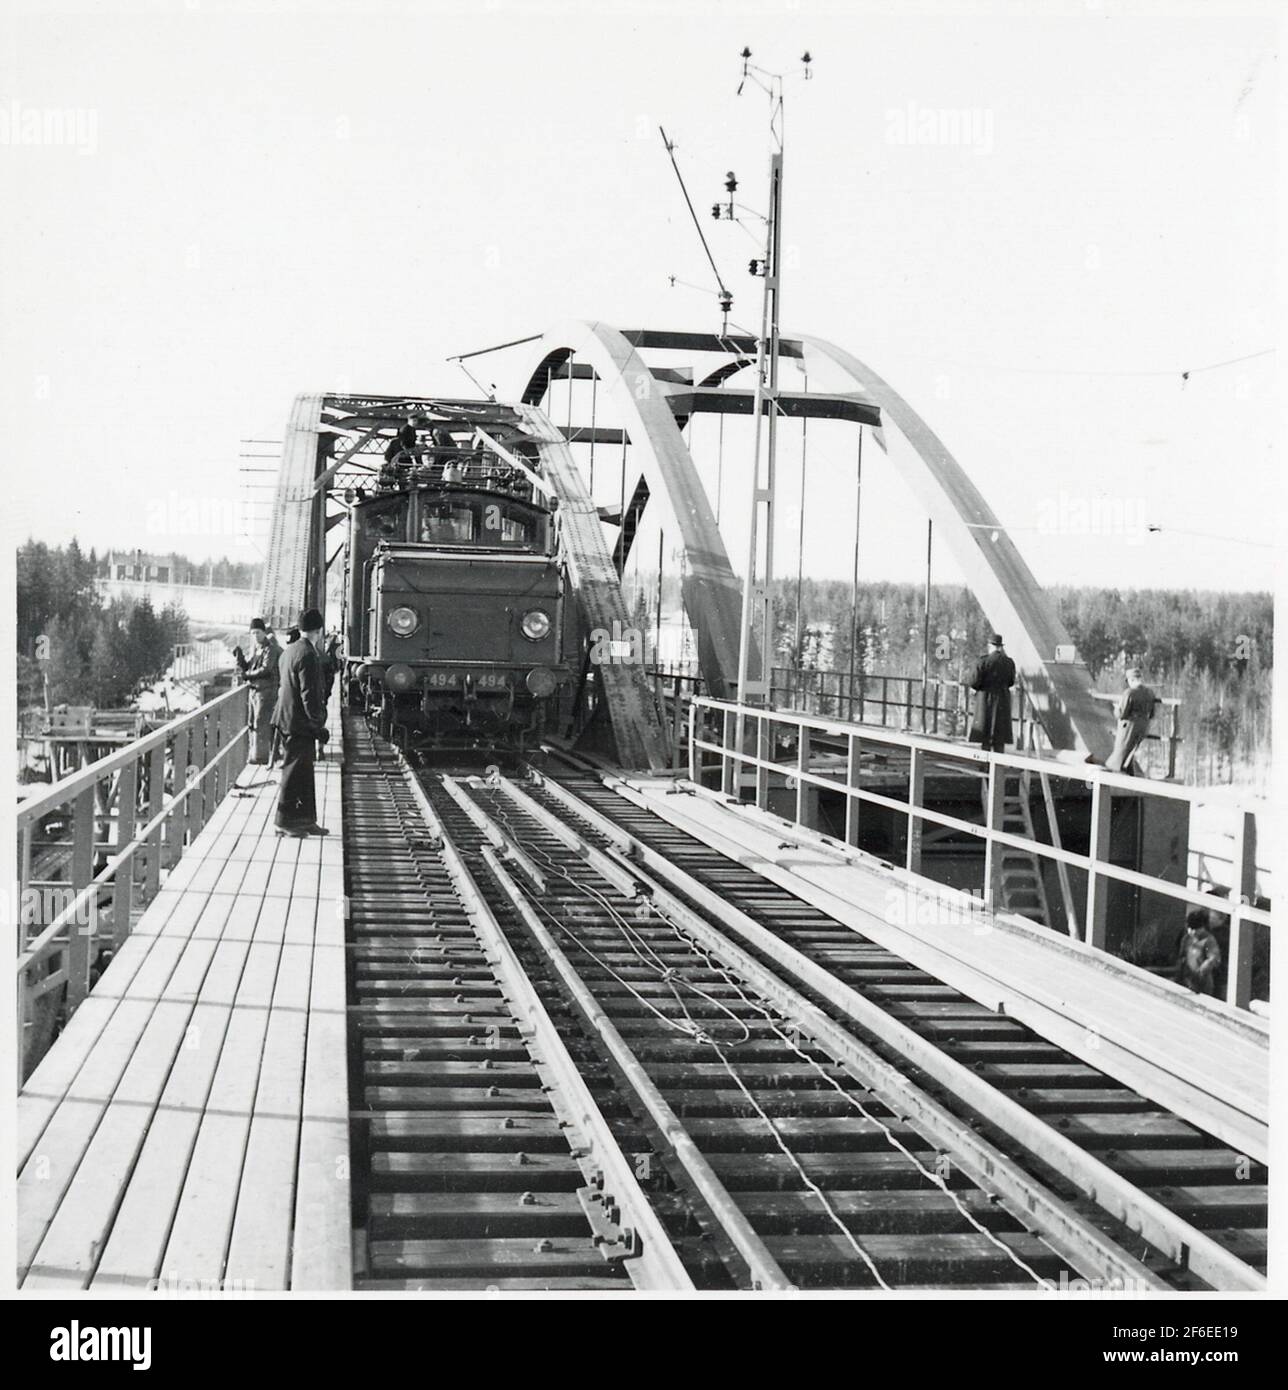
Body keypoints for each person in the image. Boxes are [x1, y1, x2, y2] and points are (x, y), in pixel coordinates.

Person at [271, 607, 330, 836]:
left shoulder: (290, 651)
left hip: (286, 717)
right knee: (294, 771)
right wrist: (318, 725)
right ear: (319, 630)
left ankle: (305, 819)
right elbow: (309, 695)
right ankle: (284, 821)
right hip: (298, 721)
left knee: (304, 771)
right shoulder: (308, 655)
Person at [240, 618, 282, 765]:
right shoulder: (257, 648)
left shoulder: (269, 648)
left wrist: (248, 675)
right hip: (255, 691)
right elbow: (250, 666)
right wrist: (241, 661)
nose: (256, 636)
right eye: (253, 633)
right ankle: (257, 753)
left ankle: (261, 757)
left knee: (261, 723)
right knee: (253, 722)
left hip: (266, 691)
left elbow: (266, 669)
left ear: (264, 633)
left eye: (258, 632)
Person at [968, 634, 1016, 753]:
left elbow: (974, 681)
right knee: (999, 735)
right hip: (1002, 700)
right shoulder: (1009, 663)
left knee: (986, 733)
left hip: (985, 700)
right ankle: (999, 765)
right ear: (1000, 647)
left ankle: (985, 766)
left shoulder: (983, 661)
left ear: (990, 646)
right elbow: (1011, 682)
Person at [1105, 666, 1158, 775]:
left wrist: (1115, 708)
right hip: (1143, 727)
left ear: (1132, 680)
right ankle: (1128, 772)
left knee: (1119, 753)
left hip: (1129, 727)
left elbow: (1121, 714)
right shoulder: (1150, 693)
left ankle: (1114, 775)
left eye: (1128, 681)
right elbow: (1152, 714)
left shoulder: (1129, 693)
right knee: (1130, 753)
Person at [1177, 909, 1222, 996]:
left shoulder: (1209, 940)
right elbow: (1182, 957)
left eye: (1196, 929)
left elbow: (1214, 959)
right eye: (1190, 929)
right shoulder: (1187, 938)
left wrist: (1201, 971)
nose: (1192, 932)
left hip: (1202, 982)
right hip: (1186, 979)